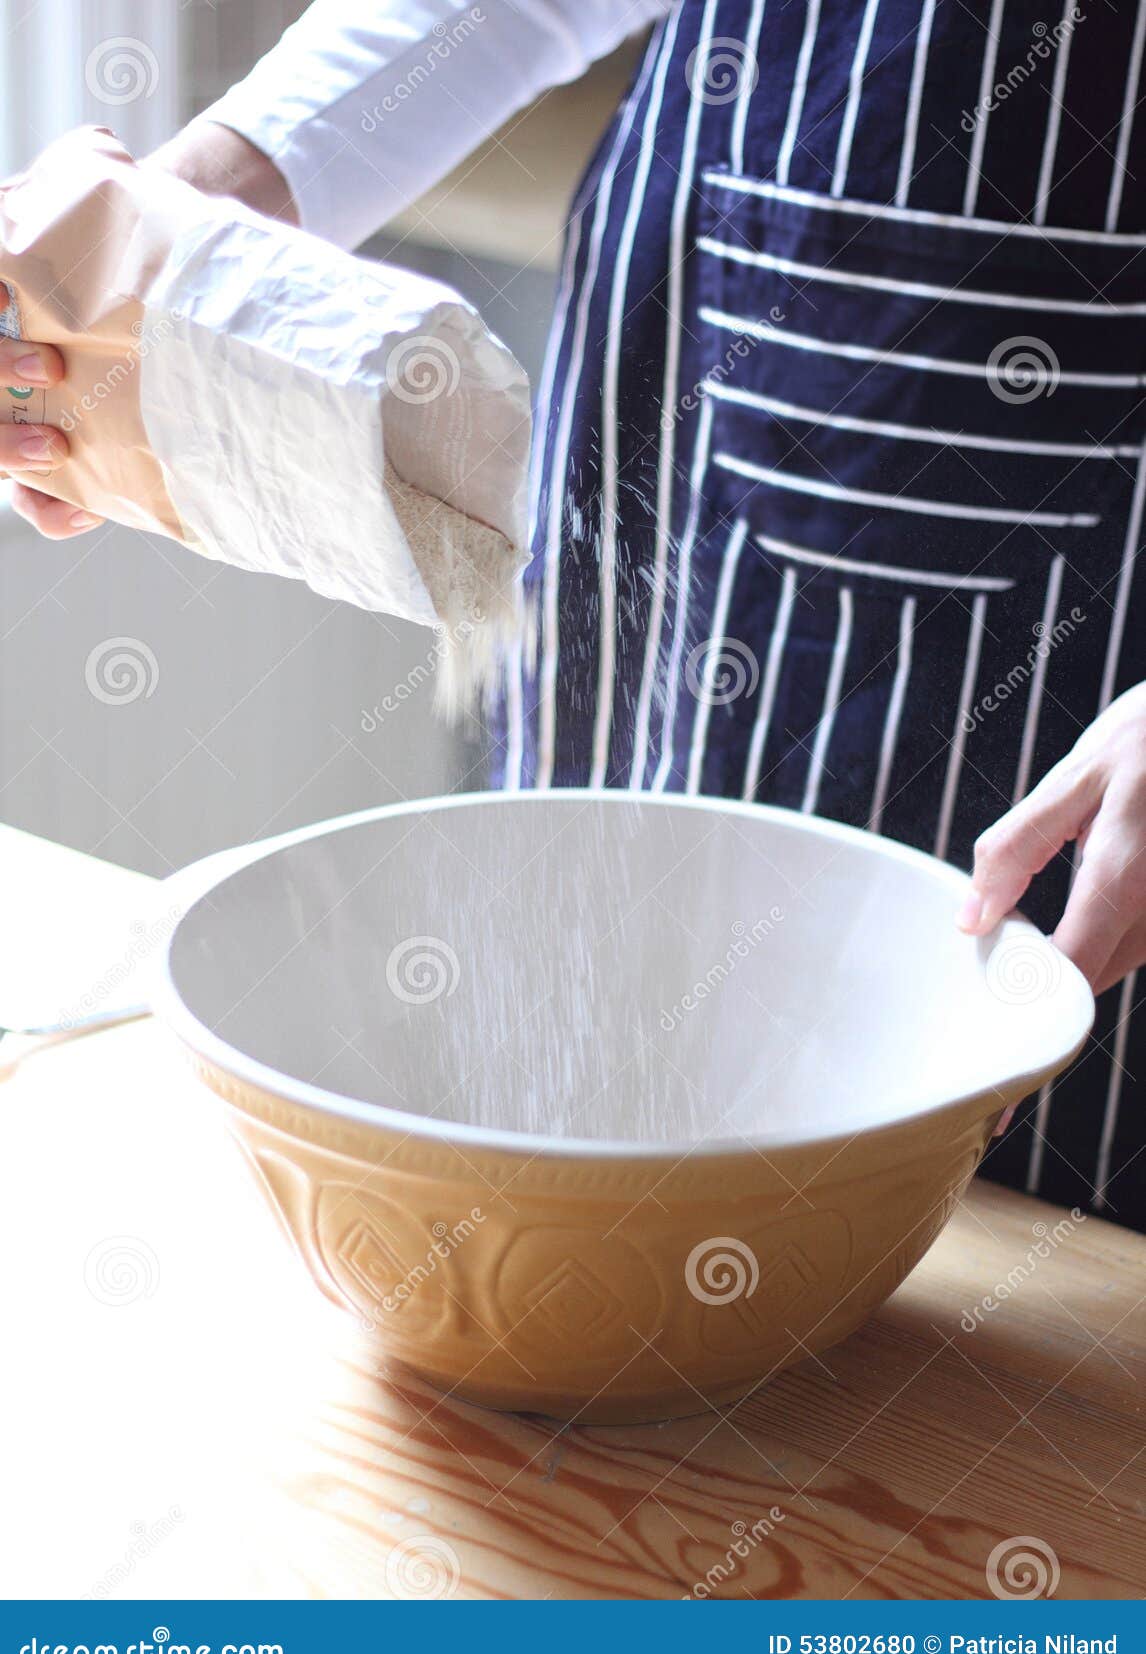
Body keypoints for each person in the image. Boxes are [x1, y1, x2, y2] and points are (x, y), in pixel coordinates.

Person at [2, 0, 1143, 1229]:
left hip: (1037, 472)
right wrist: (168, 246)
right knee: (599, 1065)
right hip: (697, 288)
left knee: (939, 1206)